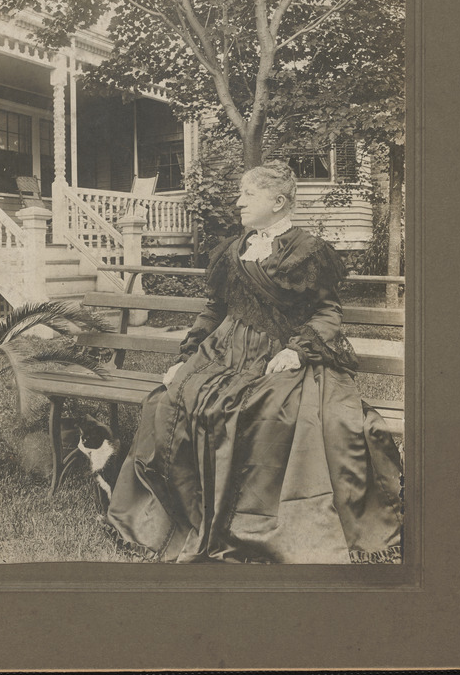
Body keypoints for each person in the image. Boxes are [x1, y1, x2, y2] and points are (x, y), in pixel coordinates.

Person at [107, 161, 403, 564]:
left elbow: (328, 312)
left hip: (281, 355)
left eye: (248, 194)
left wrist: (296, 351)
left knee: (275, 413)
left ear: (278, 202)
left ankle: (251, 525)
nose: (238, 202)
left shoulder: (309, 251)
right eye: (240, 193)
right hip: (224, 353)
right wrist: (187, 357)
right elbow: (215, 310)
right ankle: (182, 515)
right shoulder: (234, 250)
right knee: (169, 399)